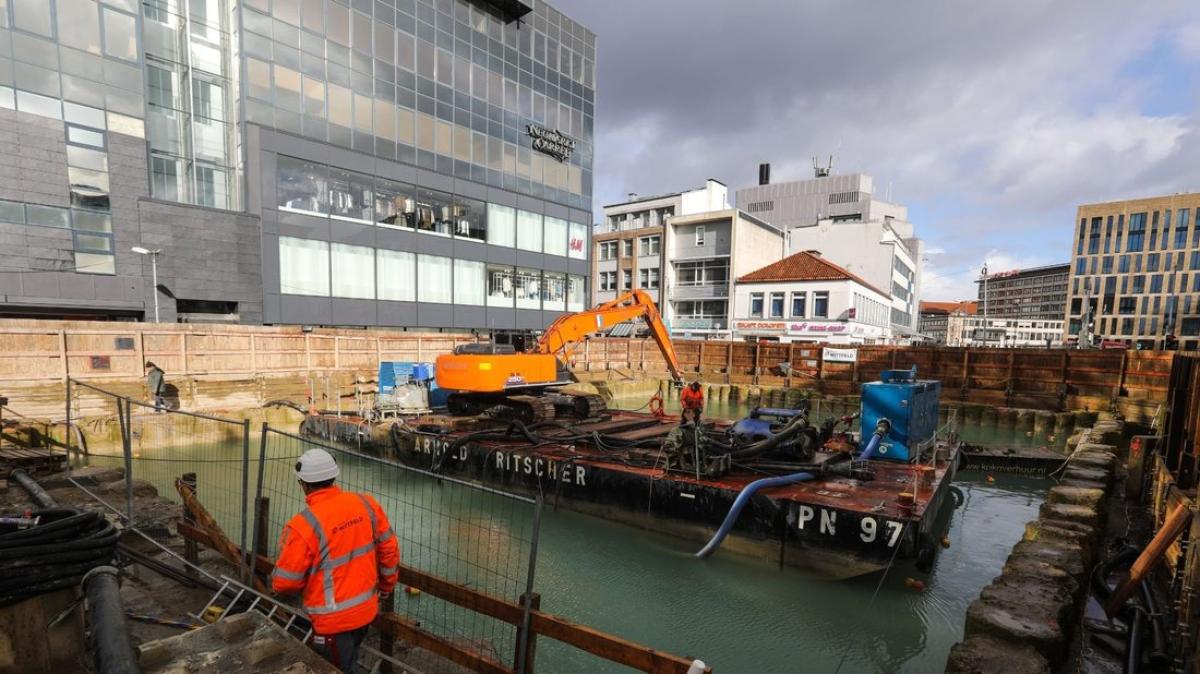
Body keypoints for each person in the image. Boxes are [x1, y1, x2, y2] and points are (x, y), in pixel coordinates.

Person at [271, 448, 401, 673]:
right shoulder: (366, 504)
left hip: (331, 623)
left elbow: (284, 584)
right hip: (366, 611)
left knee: (339, 668)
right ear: (333, 477)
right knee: (349, 662)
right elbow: (389, 550)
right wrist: (387, 586)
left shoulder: (303, 526)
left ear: (303, 483)